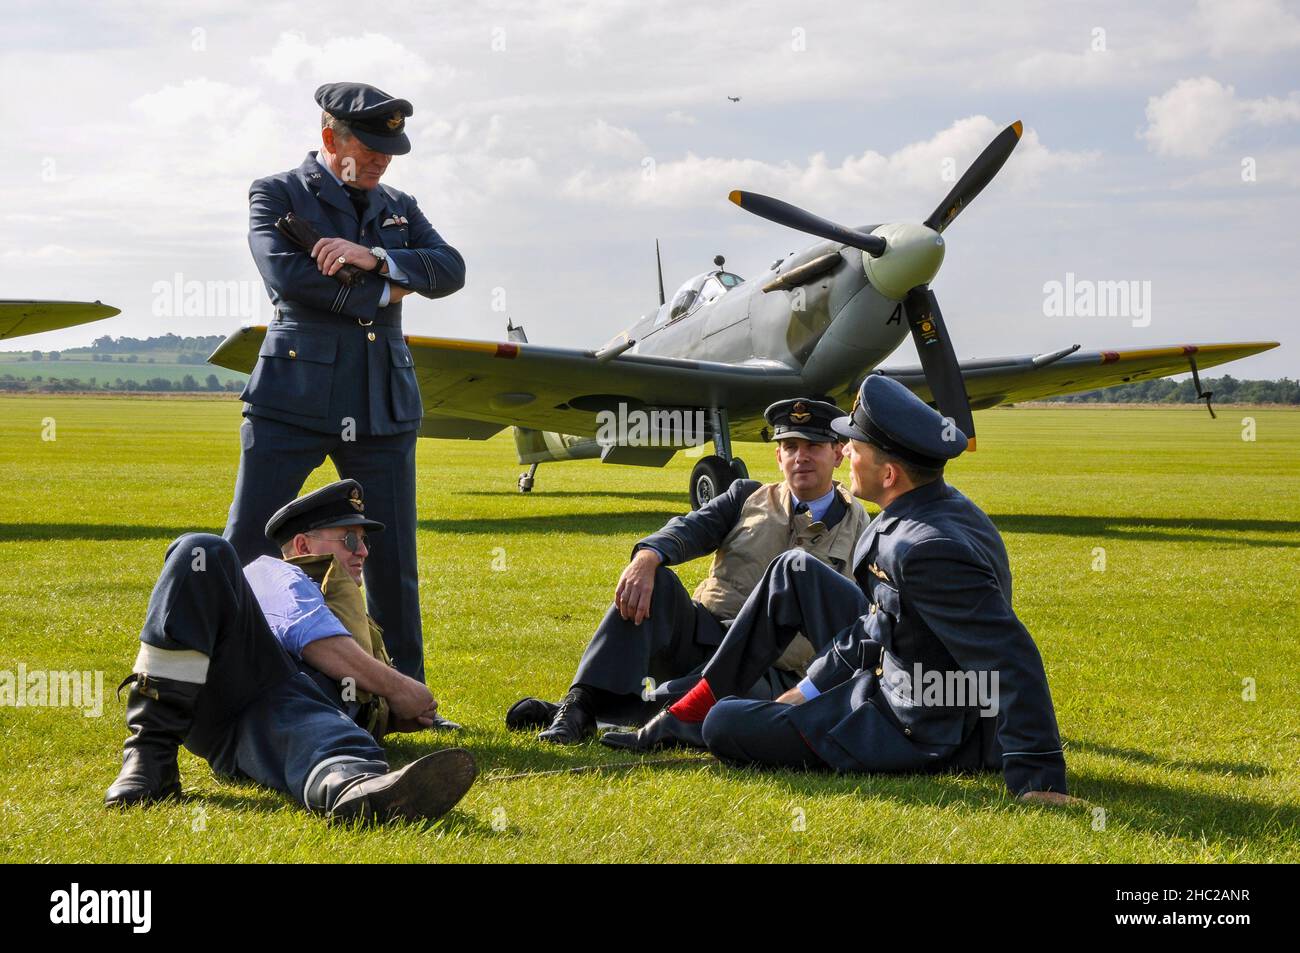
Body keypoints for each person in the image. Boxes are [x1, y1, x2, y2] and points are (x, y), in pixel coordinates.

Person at [601, 375, 1082, 805]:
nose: (845, 452)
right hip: (891, 676)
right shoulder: (921, 510)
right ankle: (685, 708)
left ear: (889, 474)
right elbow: (878, 622)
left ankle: (691, 712)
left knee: (725, 724)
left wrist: (1036, 775)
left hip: (920, 724)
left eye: (855, 446)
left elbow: (1009, 655)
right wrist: (808, 690)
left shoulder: (927, 549)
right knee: (794, 568)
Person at [223, 81, 465, 716]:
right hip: (294, 396)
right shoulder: (275, 193)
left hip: (382, 400)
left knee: (393, 561)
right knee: (248, 543)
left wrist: (376, 258)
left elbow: (451, 269)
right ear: (331, 137)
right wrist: (392, 291)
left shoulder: (398, 204)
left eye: (392, 147)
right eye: (371, 144)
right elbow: (292, 280)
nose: (385, 158)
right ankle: (224, 680)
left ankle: (408, 700)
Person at [105, 480, 476, 822]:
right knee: (202, 548)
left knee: (302, 716)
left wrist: (385, 714)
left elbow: (340, 685)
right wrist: (399, 687)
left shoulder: (345, 607)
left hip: (268, 726)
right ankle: (149, 757)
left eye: (364, 541)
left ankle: (352, 788)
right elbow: (312, 639)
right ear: (302, 546)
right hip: (252, 697)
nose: (362, 550)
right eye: (349, 539)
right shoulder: (278, 575)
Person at [506, 398, 868, 744]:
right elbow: (690, 528)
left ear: (837, 453)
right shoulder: (746, 496)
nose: (800, 457)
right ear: (777, 456)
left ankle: (593, 713)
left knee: (699, 696)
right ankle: (578, 703)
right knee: (656, 582)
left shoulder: (862, 531)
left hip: (771, 669)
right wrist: (647, 557)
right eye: (790, 446)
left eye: (813, 446)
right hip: (705, 635)